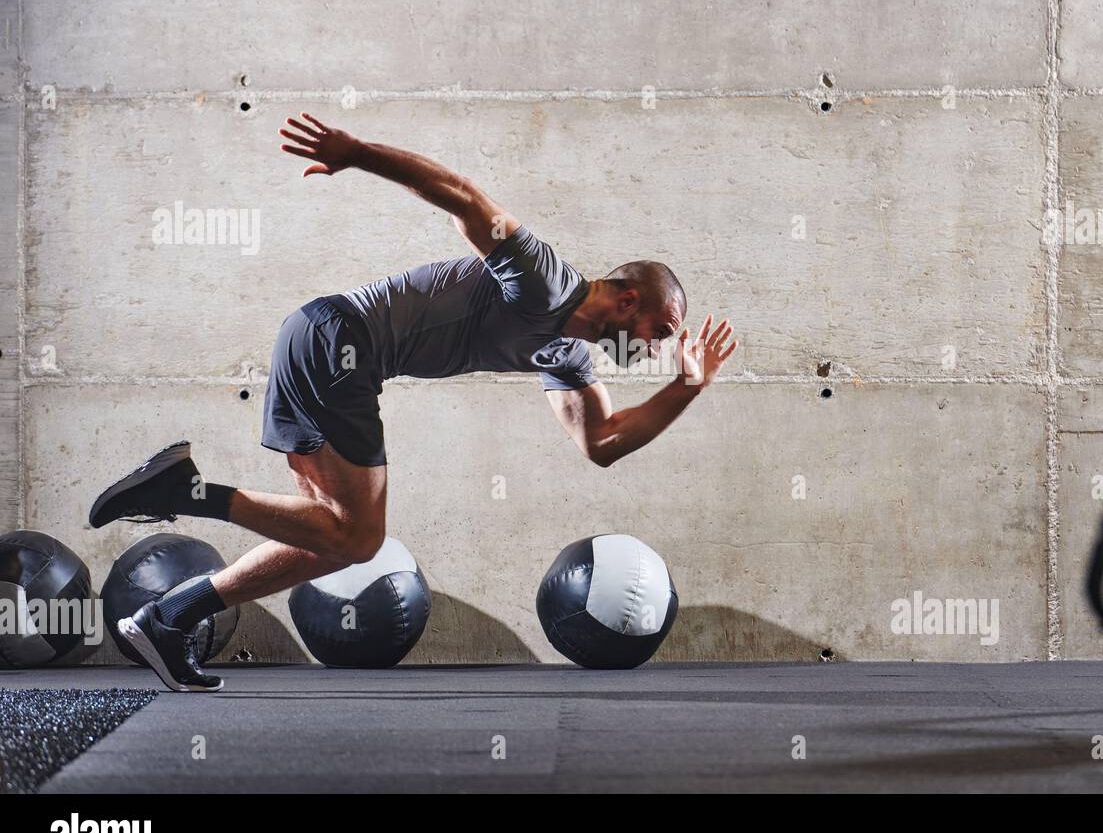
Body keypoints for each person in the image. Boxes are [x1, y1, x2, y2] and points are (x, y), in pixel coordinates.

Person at [88, 113, 738, 692]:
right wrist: (355, 151)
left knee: (335, 537)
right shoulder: (545, 280)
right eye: (660, 332)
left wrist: (687, 385)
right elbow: (462, 197)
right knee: (360, 535)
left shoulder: (565, 353)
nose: (658, 348)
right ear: (628, 301)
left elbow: (603, 443)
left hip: (328, 347)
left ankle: (168, 616)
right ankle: (182, 493)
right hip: (340, 340)